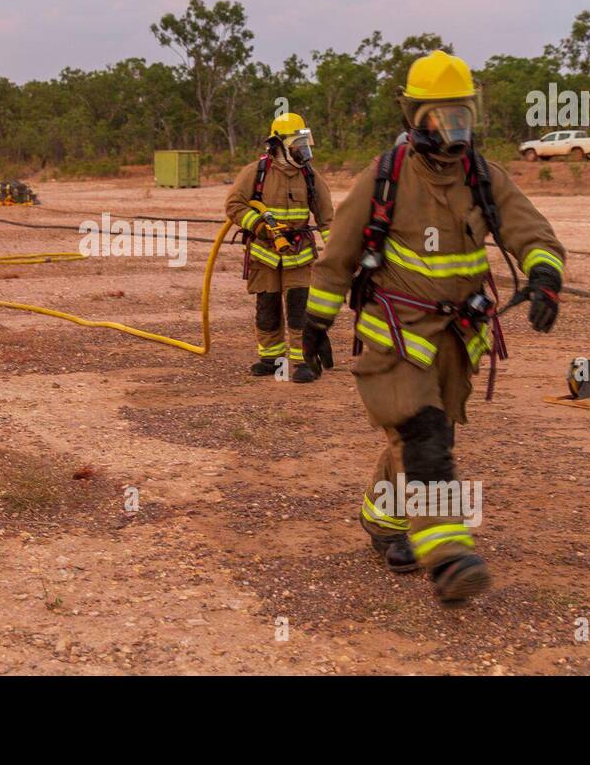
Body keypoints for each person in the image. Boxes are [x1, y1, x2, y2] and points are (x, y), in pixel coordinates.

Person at [301, 50, 565, 606]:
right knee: (424, 434)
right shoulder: (384, 177)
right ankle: (447, 556)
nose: (451, 132)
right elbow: (337, 257)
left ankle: (384, 520)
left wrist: (545, 276)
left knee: (412, 433)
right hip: (393, 337)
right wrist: (315, 325)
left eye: (460, 118)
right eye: (438, 120)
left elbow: (531, 231)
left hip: (454, 342)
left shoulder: (484, 177)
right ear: (412, 117)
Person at [225, 113, 334, 383]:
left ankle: (304, 362)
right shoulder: (256, 173)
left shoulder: (310, 176)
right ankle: (271, 359)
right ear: (279, 144)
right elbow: (234, 206)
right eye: (297, 143)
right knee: (267, 308)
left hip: (299, 255)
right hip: (264, 256)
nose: (303, 149)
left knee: (300, 309)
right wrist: (260, 227)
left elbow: (327, 219)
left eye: (304, 143)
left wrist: (337, 254)